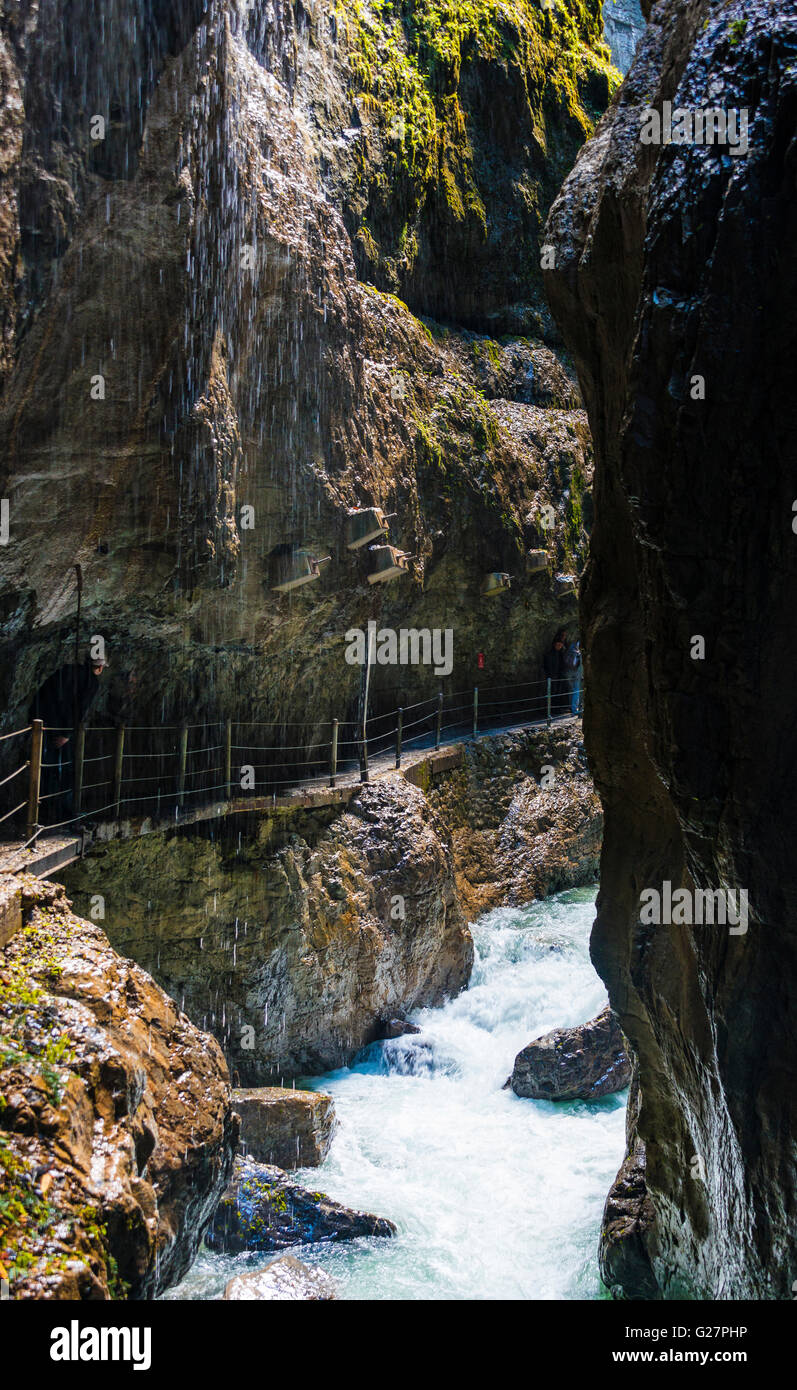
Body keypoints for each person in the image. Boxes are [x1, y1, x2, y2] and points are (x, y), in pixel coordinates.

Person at [29, 654, 107, 818]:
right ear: (99, 668)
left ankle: (41, 809)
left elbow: (47, 694)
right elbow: (79, 709)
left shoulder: (67, 671)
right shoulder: (91, 682)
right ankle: (61, 812)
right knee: (63, 769)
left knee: (43, 768)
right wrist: (66, 734)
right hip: (60, 729)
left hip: (42, 723)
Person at [543, 630, 569, 715]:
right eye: (558, 645)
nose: (559, 647)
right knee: (552, 693)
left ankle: (557, 709)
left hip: (559, 676)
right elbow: (547, 665)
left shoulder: (561, 653)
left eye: (561, 645)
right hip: (552, 676)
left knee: (559, 692)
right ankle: (550, 710)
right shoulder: (550, 654)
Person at [566, 637, 582, 715]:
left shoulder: (570, 649)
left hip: (568, 672)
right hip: (576, 673)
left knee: (571, 690)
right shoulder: (579, 652)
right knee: (576, 691)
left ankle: (570, 707)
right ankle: (574, 709)